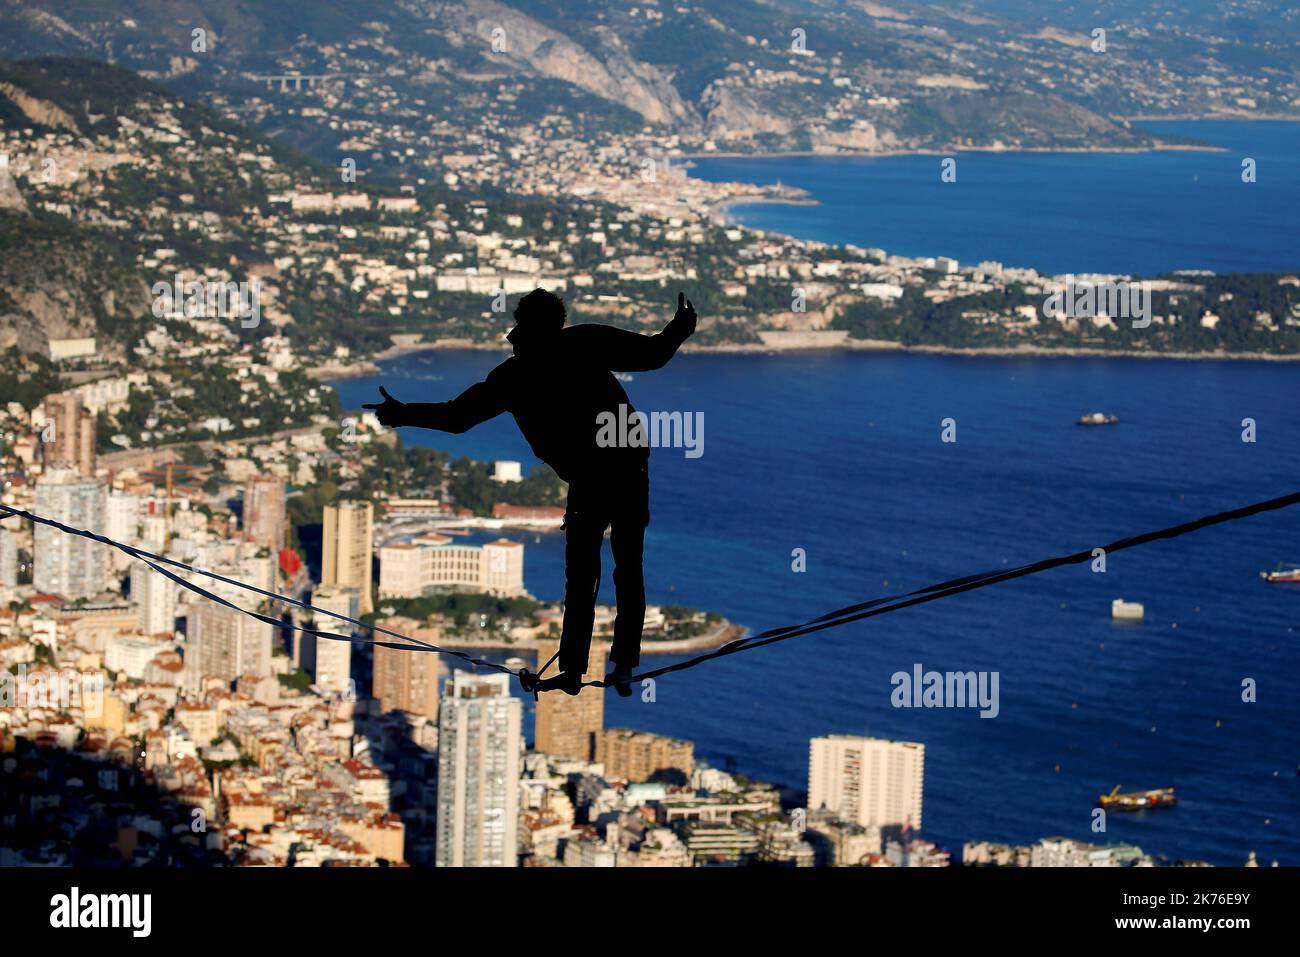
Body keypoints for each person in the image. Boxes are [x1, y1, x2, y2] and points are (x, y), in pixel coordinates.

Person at [363, 289, 697, 695]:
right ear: (559, 321)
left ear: (522, 323)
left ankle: (574, 670)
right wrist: (681, 327)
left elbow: (457, 418)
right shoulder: (584, 341)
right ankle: (623, 663)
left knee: (582, 578)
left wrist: (402, 414)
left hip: (589, 479)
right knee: (628, 569)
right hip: (627, 468)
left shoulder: (514, 375)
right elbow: (653, 355)